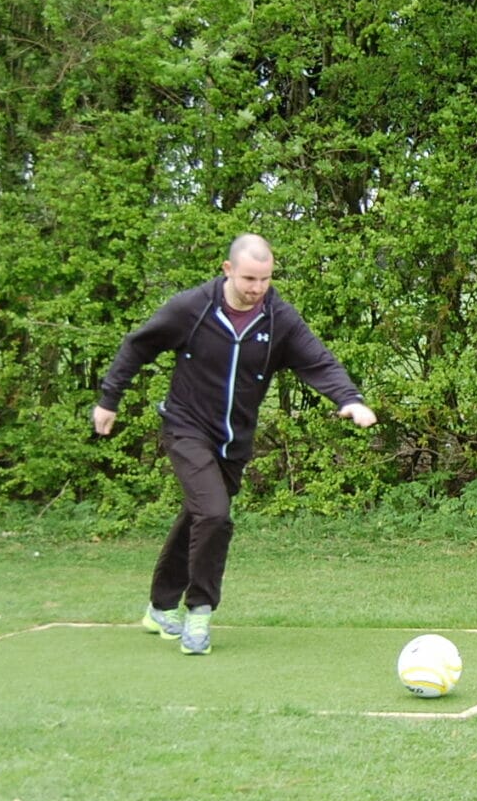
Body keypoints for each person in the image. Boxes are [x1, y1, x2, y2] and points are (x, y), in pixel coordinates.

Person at [92, 234, 376, 654]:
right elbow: (138, 345)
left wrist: (349, 399)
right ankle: (200, 612)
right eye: (248, 278)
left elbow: (318, 360)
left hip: (235, 440)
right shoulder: (193, 308)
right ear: (227, 270)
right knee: (214, 514)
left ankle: (160, 606)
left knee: (198, 516)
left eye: (264, 279)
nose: (257, 288)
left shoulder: (279, 318)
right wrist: (109, 399)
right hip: (186, 427)